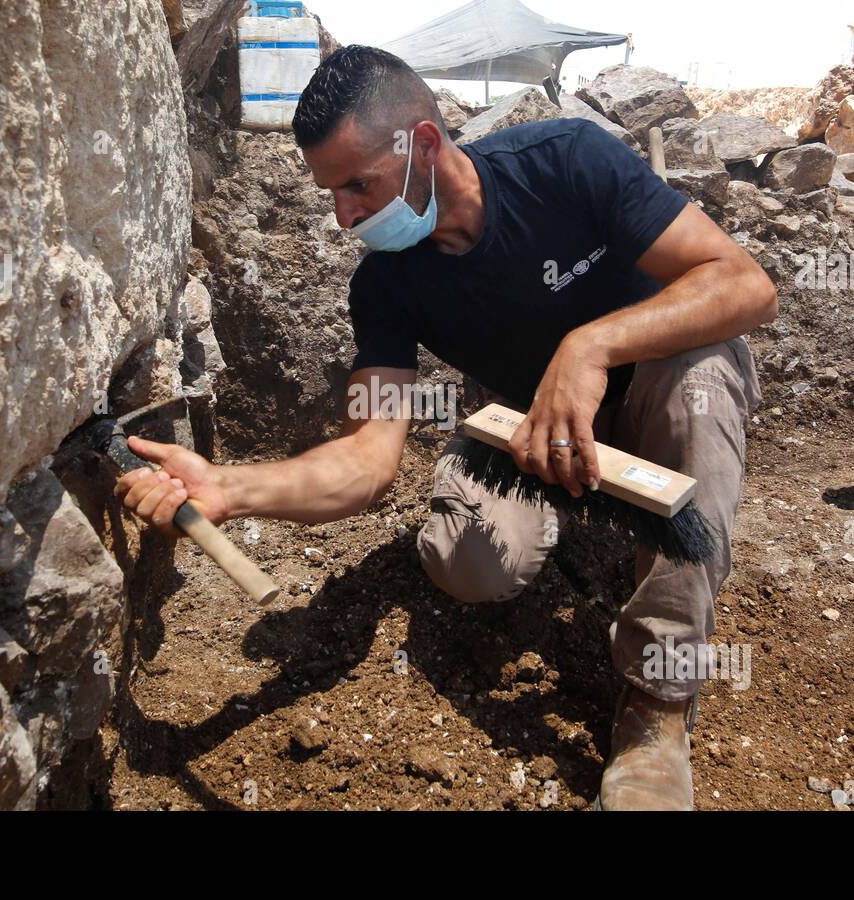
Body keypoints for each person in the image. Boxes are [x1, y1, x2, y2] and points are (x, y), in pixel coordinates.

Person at [115, 45, 773, 810]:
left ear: (423, 142)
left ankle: (656, 710)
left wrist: (590, 345)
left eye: (358, 185)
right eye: (332, 193)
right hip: (527, 435)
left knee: (700, 379)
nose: (345, 217)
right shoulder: (386, 286)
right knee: (471, 570)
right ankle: (555, 511)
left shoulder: (566, 162)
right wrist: (230, 488)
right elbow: (367, 458)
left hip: (654, 391)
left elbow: (745, 283)